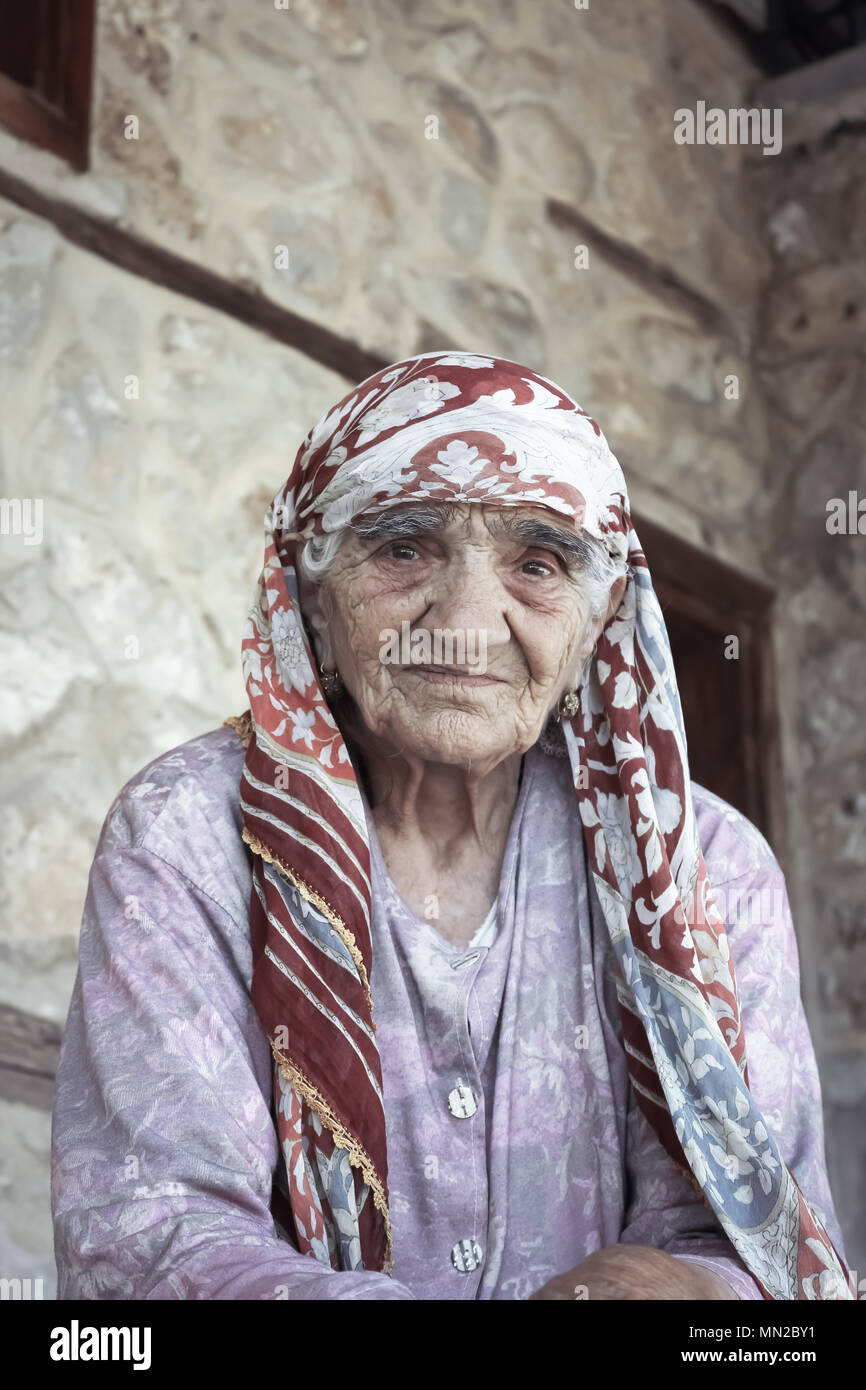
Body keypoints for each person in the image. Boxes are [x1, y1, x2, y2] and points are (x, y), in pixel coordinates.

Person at [51, 352, 852, 1300]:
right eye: (403, 549)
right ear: (313, 590)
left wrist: (680, 1291)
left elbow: (771, 1268)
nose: (468, 622)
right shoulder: (186, 835)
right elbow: (148, 1241)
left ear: (598, 623)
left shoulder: (707, 870)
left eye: (538, 562)